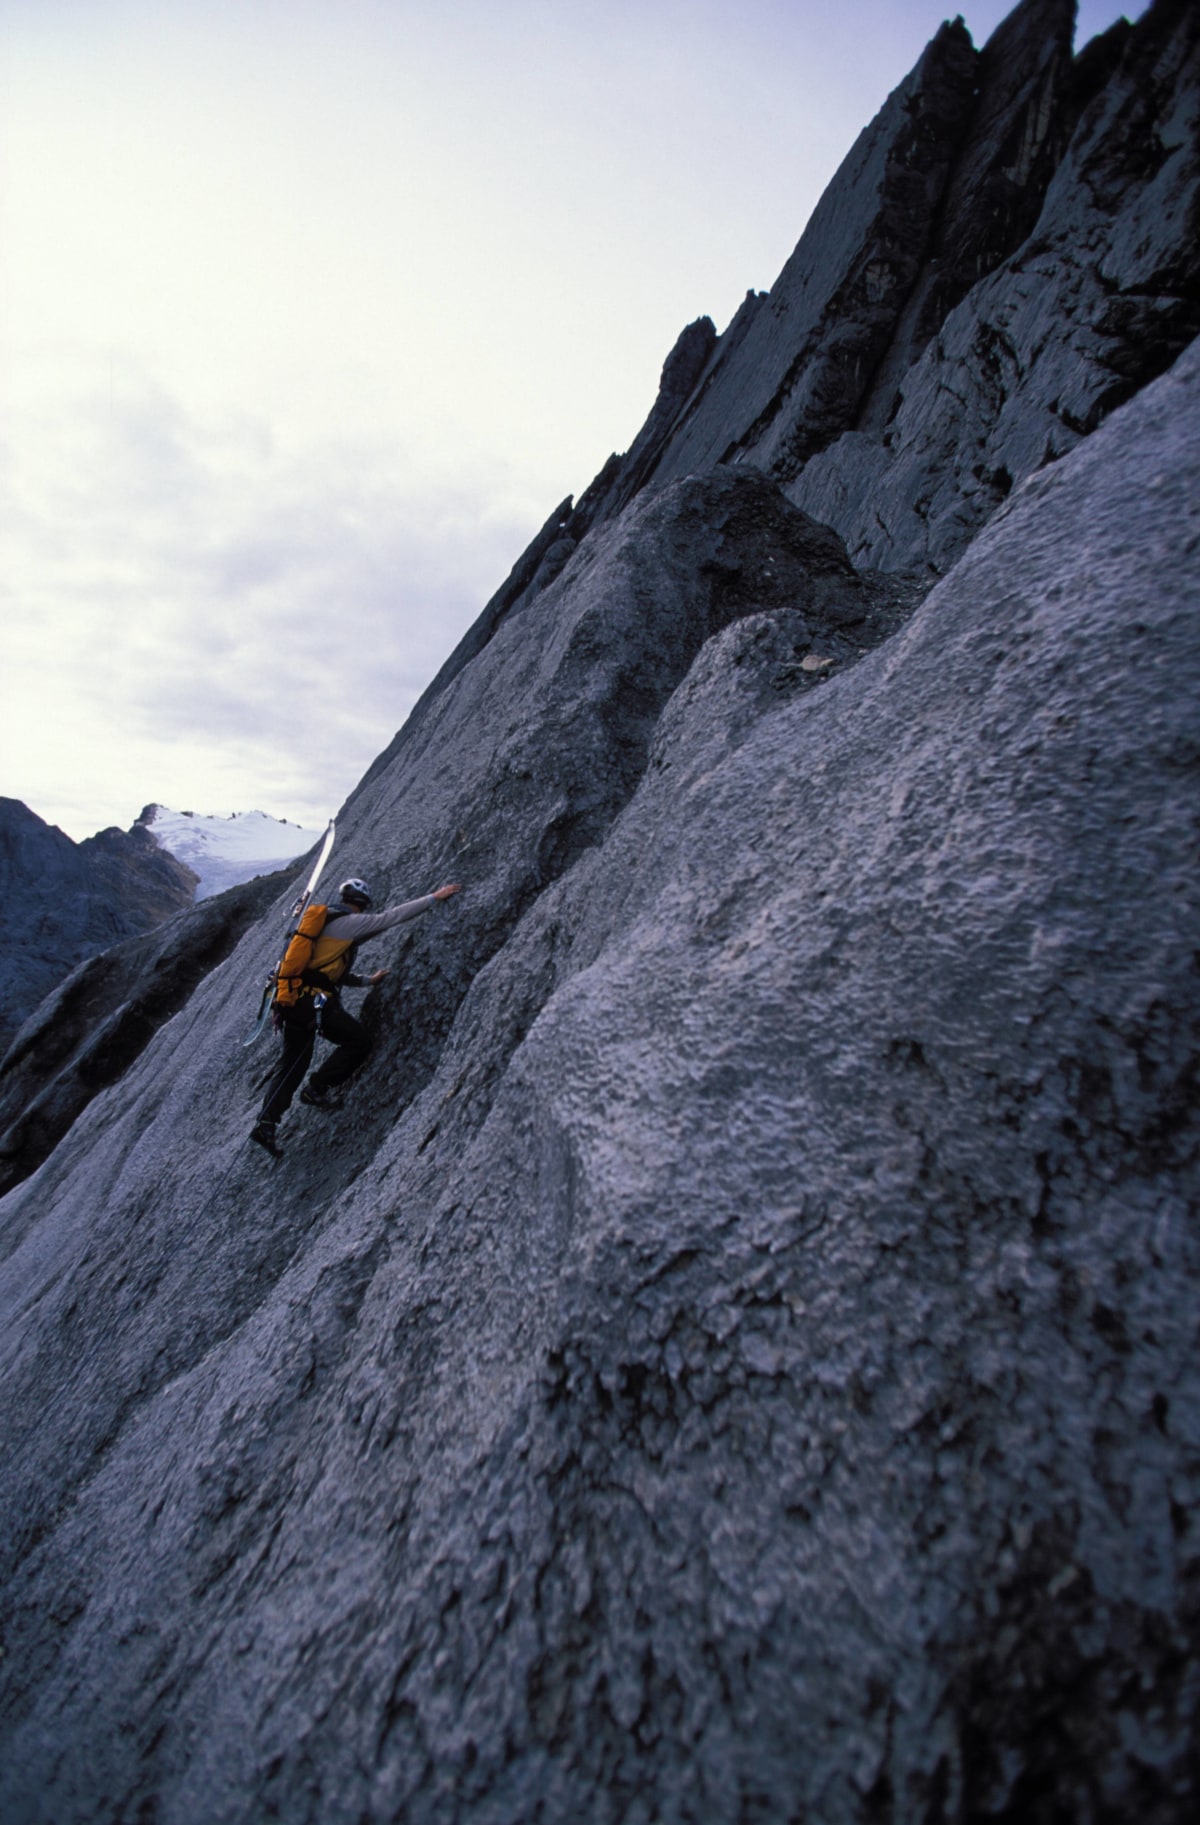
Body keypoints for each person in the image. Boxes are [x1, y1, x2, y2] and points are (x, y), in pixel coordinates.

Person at [250, 875, 461, 1157]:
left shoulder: (325, 923)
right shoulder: (350, 923)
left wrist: (366, 981)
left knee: (292, 1064)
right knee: (358, 1042)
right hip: (314, 1003)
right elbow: (389, 918)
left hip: (294, 1000)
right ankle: (317, 1087)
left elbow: (326, 971)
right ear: (363, 903)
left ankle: (266, 1123)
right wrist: (434, 897)